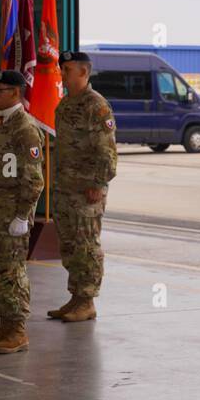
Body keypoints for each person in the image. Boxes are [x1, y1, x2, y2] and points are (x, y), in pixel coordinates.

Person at [0, 69, 45, 355]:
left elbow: (33, 179)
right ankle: (4, 325)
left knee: (11, 272)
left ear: (16, 92)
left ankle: (17, 330)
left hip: (12, 215)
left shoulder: (24, 129)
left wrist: (22, 215)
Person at [48, 50, 117, 323]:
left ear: (83, 72)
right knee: (69, 244)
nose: (62, 74)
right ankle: (76, 297)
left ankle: (87, 300)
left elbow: (107, 151)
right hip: (65, 186)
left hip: (86, 188)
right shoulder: (65, 104)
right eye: (61, 69)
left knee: (86, 244)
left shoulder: (96, 106)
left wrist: (98, 183)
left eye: (67, 69)